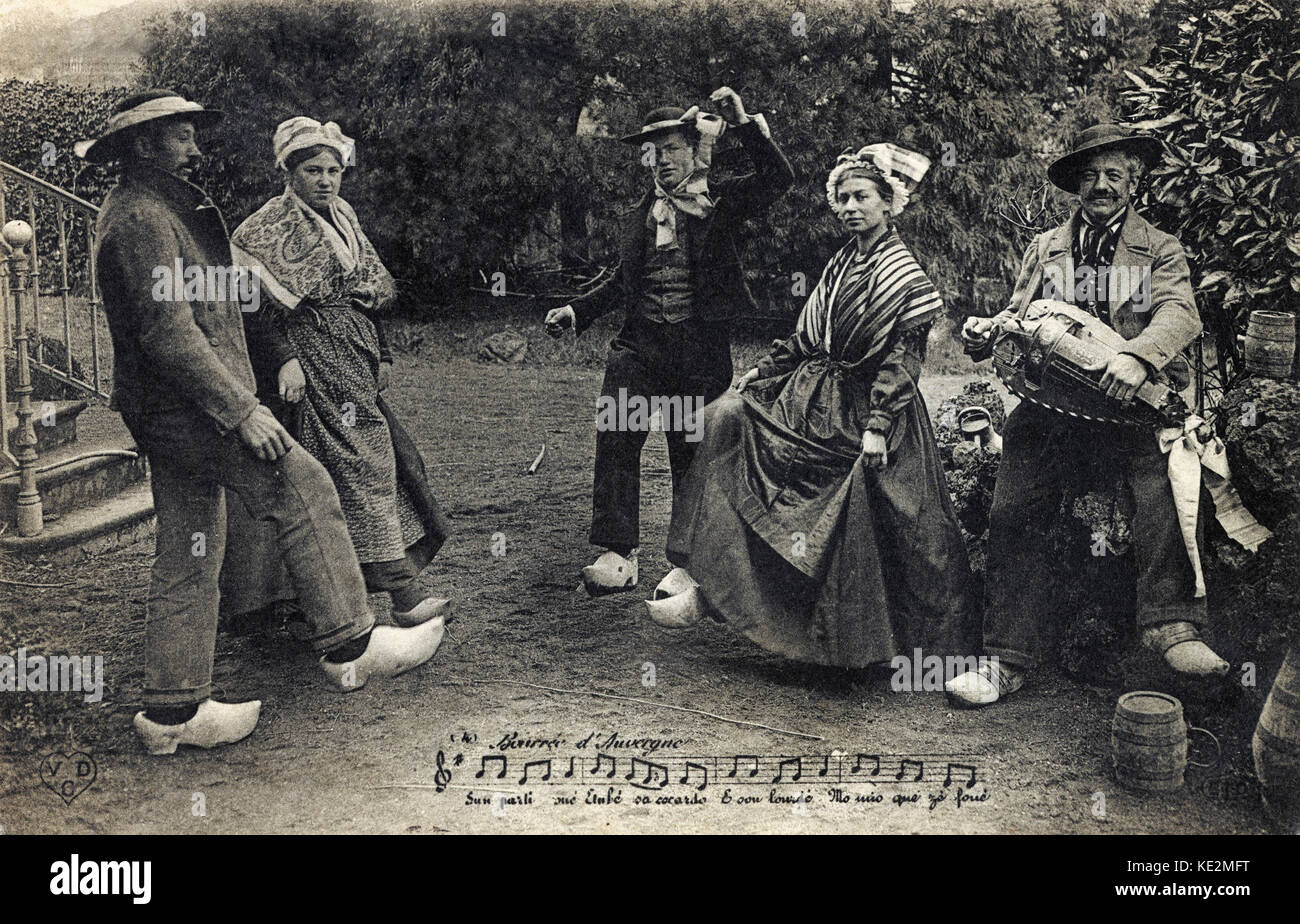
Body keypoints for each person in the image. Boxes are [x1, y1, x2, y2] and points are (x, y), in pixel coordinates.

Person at [80, 91, 444, 755]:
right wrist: (243, 409)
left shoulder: (160, 208)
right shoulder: (141, 219)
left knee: (192, 548)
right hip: (189, 410)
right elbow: (169, 335)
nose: (195, 148)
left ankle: (171, 713)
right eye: (182, 136)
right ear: (143, 145)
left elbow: (219, 313)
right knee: (304, 487)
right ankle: (353, 645)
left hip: (178, 409)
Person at [650, 144, 977, 671]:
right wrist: (761, 372)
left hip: (872, 411)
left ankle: (854, 641)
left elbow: (903, 358)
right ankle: (704, 576)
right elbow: (806, 338)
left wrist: (877, 425)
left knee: (870, 512)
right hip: (815, 397)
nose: (850, 206)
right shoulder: (843, 260)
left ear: (889, 203)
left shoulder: (904, 274)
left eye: (863, 197)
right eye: (843, 197)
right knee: (724, 419)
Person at [948, 123, 1229, 708]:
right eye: (1090, 176)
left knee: (1166, 480)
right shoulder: (1046, 247)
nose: (1101, 185)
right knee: (1018, 504)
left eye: (1114, 175)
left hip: (1130, 407)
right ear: (1077, 184)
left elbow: (1180, 315)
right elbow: (1020, 318)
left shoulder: (1161, 249)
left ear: (1135, 182)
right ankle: (1006, 658)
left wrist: (1139, 357)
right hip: (1055, 409)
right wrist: (987, 333)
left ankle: (1172, 626)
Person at [543, 87, 793, 596]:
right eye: (654, 152)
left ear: (694, 149)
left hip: (696, 353)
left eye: (674, 149)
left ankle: (685, 562)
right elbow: (623, 279)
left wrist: (743, 123)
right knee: (616, 435)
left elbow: (778, 179)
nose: (663, 161)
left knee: (690, 452)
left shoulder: (718, 202)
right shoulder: (639, 214)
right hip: (639, 349)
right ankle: (617, 554)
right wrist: (577, 309)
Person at [229, 117, 451, 626]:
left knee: (378, 464)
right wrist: (283, 357)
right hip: (308, 361)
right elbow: (251, 305)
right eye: (313, 170)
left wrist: (385, 354)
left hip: (353, 357)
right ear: (289, 172)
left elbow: (368, 288)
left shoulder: (344, 217)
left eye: (334, 170)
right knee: (350, 468)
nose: (326, 180)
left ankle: (340, 598)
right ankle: (394, 596)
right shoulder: (263, 228)